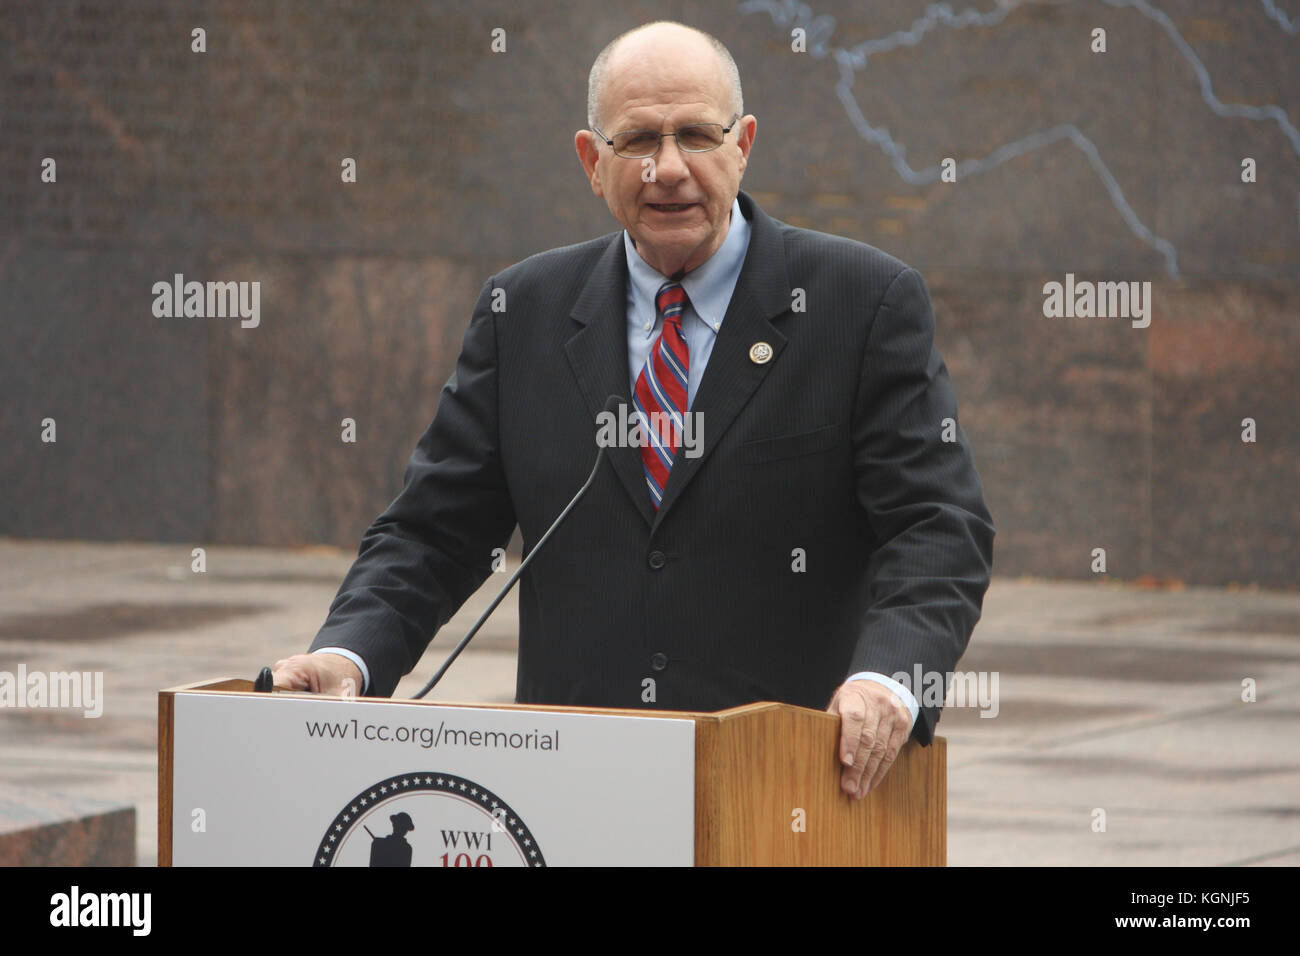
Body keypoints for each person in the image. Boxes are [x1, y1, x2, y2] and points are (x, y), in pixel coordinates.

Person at [274, 21, 994, 800]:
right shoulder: (525, 312)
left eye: (696, 135)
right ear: (593, 161)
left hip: (795, 785)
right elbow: (432, 532)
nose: (670, 169)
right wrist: (348, 655)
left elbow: (936, 527)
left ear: (743, 144)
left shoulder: (862, 303)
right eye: (639, 140)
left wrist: (889, 680)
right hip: (573, 792)